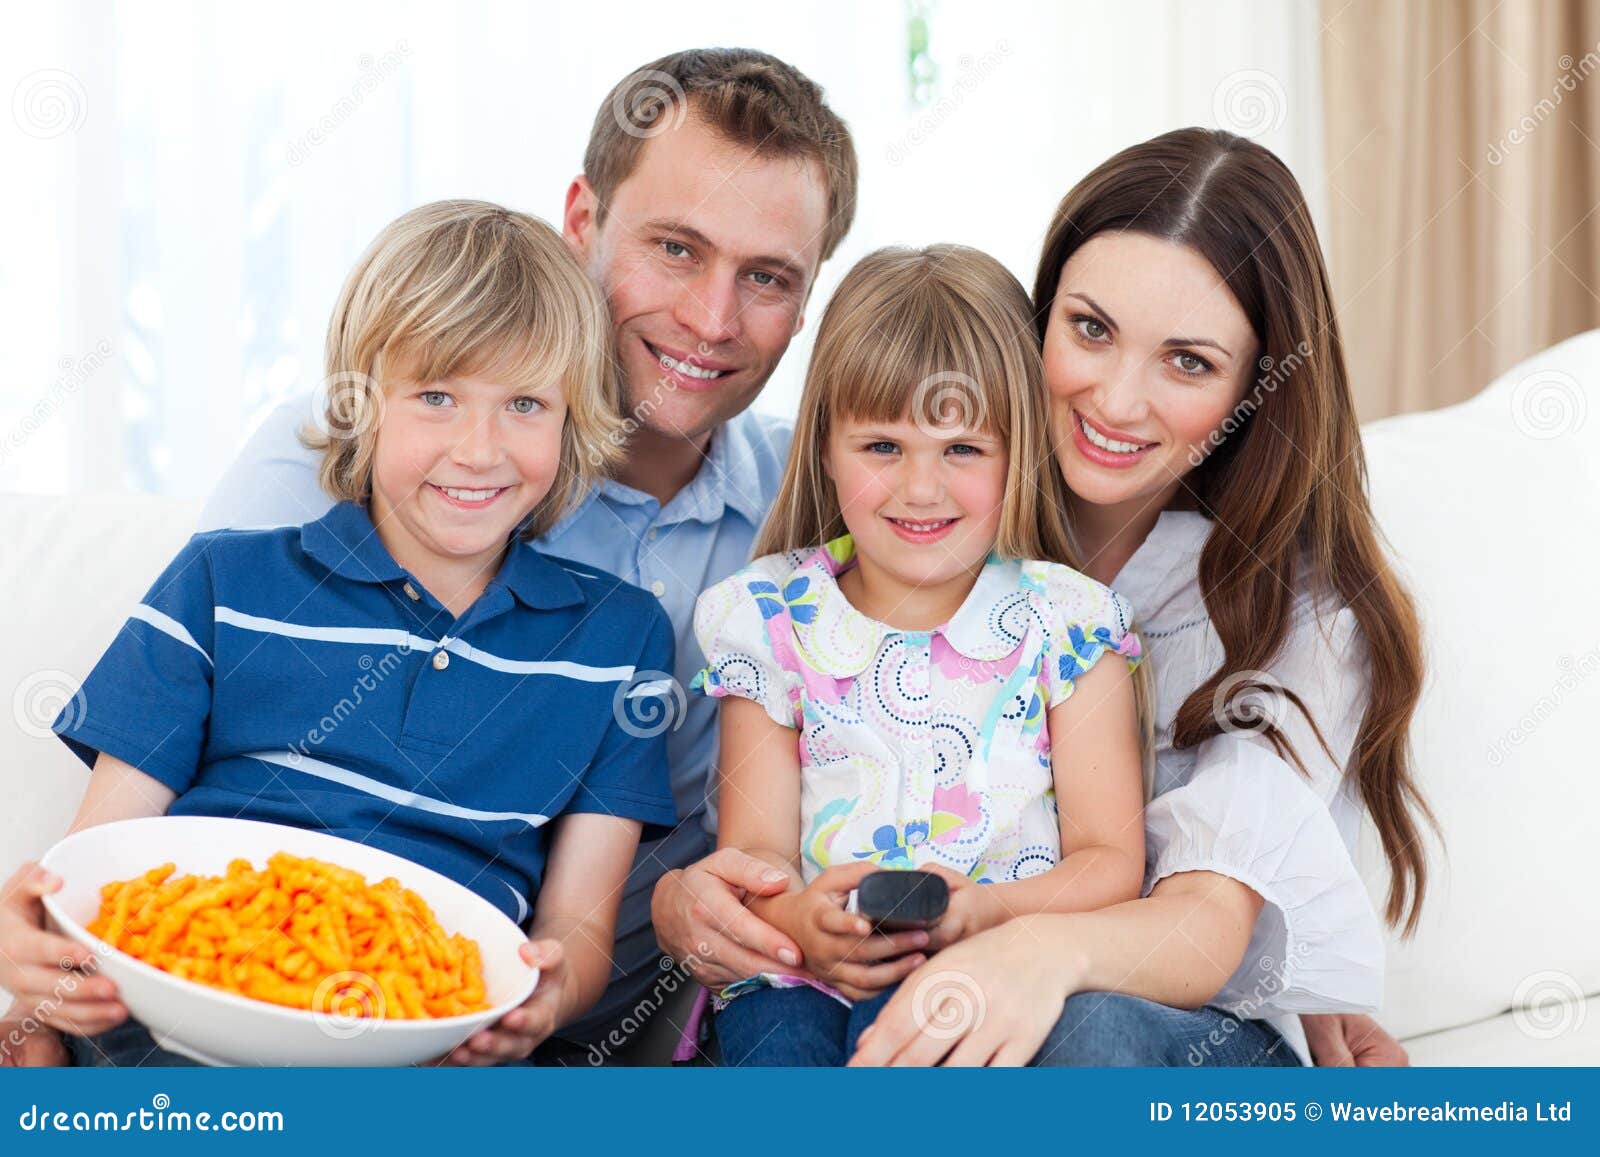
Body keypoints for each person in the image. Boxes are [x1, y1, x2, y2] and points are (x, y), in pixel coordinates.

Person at [120, 49, 856, 1062]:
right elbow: (146, 798)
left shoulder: (823, 510)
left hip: (543, 1037)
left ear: (809, 298)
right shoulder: (338, 457)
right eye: (676, 249)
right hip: (237, 991)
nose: (710, 318)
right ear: (584, 223)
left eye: (767, 277)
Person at [0, 201, 678, 1066]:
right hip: (171, 1027)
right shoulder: (222, 582)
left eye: (525, 403)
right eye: (436, 396)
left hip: (428, 1049)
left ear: (573, 418)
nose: (478, 449)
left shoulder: (619, 641)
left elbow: (575, 930)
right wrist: (32, 946)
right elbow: (98, 862)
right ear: (363, 402)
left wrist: (544, 998)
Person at [844, 129, 1434, 1066]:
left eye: (1188, 362)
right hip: (946, 979)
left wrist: (1038, 950)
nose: (1117, 401)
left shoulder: (1298, 613)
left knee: (1089, 1025)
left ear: (1258, 387)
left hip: (1169, 1032)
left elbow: (1204, 916)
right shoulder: (930, 520)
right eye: (1090, 329)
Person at [694, 245, 1146, 1066]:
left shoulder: (1067, 623)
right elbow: (755, 849)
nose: (921, 488)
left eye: (963, 450)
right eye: (882, 447)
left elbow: (1110, 860)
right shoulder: (767, 619)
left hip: (997, 963)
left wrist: (991, 912)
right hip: (806, 977)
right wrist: (800, 919)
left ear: (1019, 451)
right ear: (824, 447)